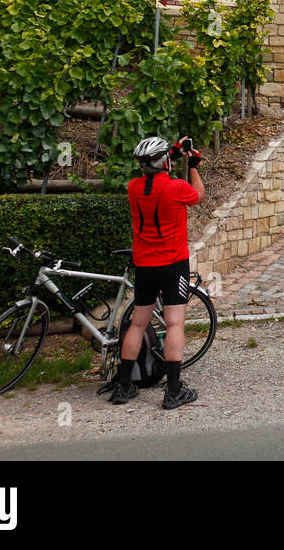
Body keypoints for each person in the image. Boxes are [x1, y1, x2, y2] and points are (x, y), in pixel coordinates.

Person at [108, 135, 205, 409]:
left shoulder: (133, 187)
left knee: (138, 323)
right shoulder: (177, 187)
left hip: (144, 265)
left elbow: (156, 176)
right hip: (173, 265)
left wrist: (171, 153)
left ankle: (124, 386)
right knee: (174, 324)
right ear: (163, 162)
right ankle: (173, 391)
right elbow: (199, 195)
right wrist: (194, 165)